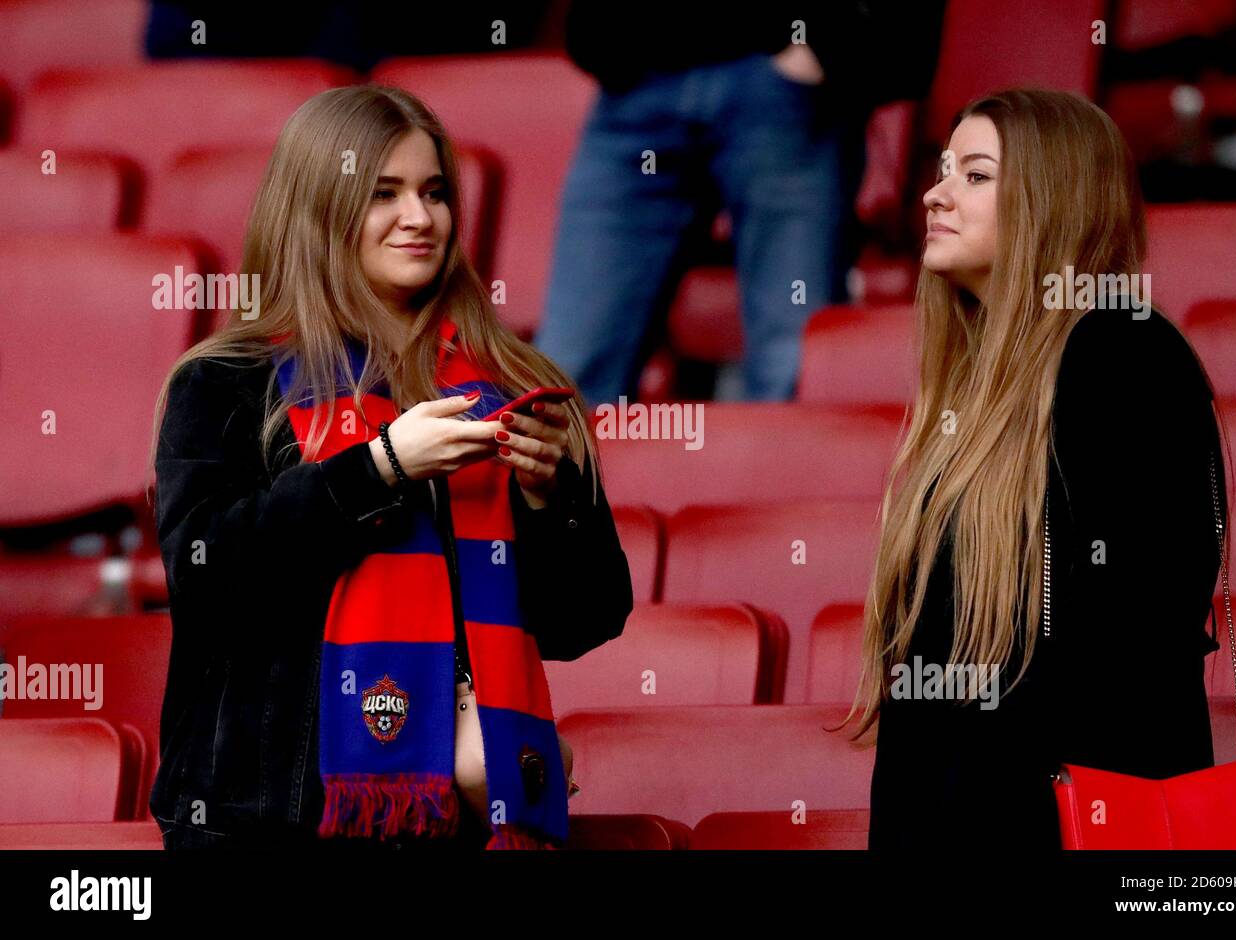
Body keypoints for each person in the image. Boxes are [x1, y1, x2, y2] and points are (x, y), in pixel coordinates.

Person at [148, 85, 633, 850]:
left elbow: (586, 621)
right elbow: (207, 578)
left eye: (434, 193)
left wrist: (550, 497)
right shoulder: (225, 382)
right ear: (318, 209)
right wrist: (379, 470)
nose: (420, 217)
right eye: (384, 194)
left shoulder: (512, 381)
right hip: (264, 826)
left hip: (446, 830)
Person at [831, 89, 1230, 850]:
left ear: (1053, 201)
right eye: (943, 170)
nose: (935, 194)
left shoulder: (1125, 355)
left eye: (976, 175)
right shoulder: (982, 386)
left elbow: (1132, 650)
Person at [536, 0, 944, 403]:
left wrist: (830, 44)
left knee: (793, 369)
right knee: (567, 372)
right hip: (634, 71)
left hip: (781, 79)